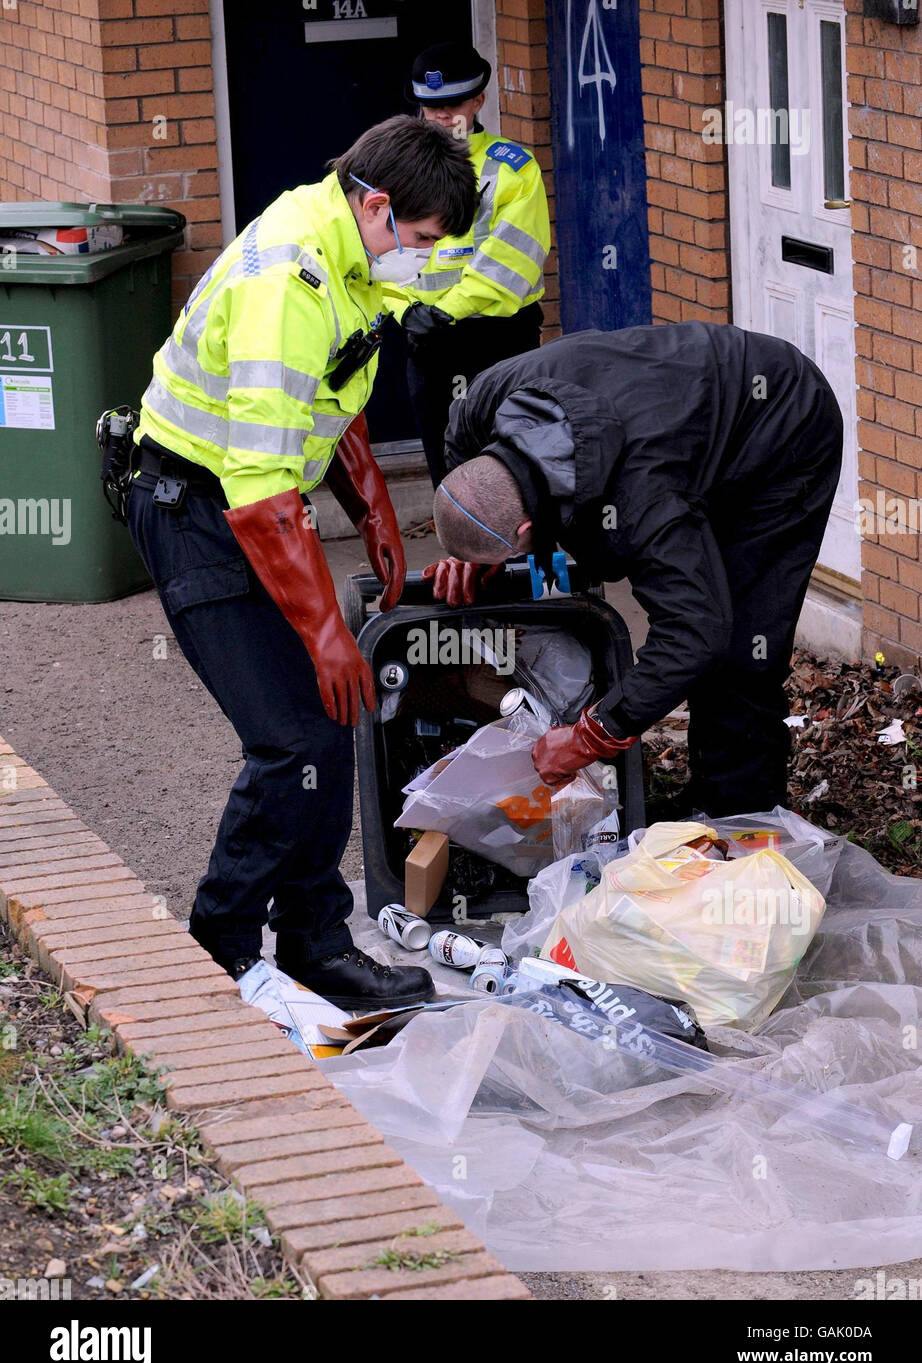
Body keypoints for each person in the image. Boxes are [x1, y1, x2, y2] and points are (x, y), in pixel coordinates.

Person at [127, 116, 478, 1007]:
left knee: (330, 721)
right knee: (292, 736)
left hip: (240, 498)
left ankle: (315, 938)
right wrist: (327, 631)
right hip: (195, 507)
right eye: (425, 241)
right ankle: (222, 942)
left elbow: (332, 389)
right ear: (376, 205)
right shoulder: (288, 277)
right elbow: (260, 493)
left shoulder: (348, 248)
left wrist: (374, 509)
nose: (427, 262)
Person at [424, 321, 843, 818]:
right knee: (707, 606)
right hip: (682, 409)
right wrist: (468, 553)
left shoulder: (639, 498)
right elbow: (464, 467)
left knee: (738, 644)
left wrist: (590, 735)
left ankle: (741, 822)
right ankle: (704, 796)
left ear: (524, 529)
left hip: (782, 424)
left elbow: (693, 632)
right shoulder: (482, 404)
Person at [386, 40, 550, 485]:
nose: (441, 116)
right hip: (425, 338)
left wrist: (445, 310)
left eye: (453, 104)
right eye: (430, 105)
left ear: (479, 100)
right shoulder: (395, 167)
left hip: (497, 336)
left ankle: (516, 552)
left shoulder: (511, 168)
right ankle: (463, 553)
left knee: (513, 460)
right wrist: (406, 311)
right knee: (446, 468)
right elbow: (377, 253)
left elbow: (513, 261)